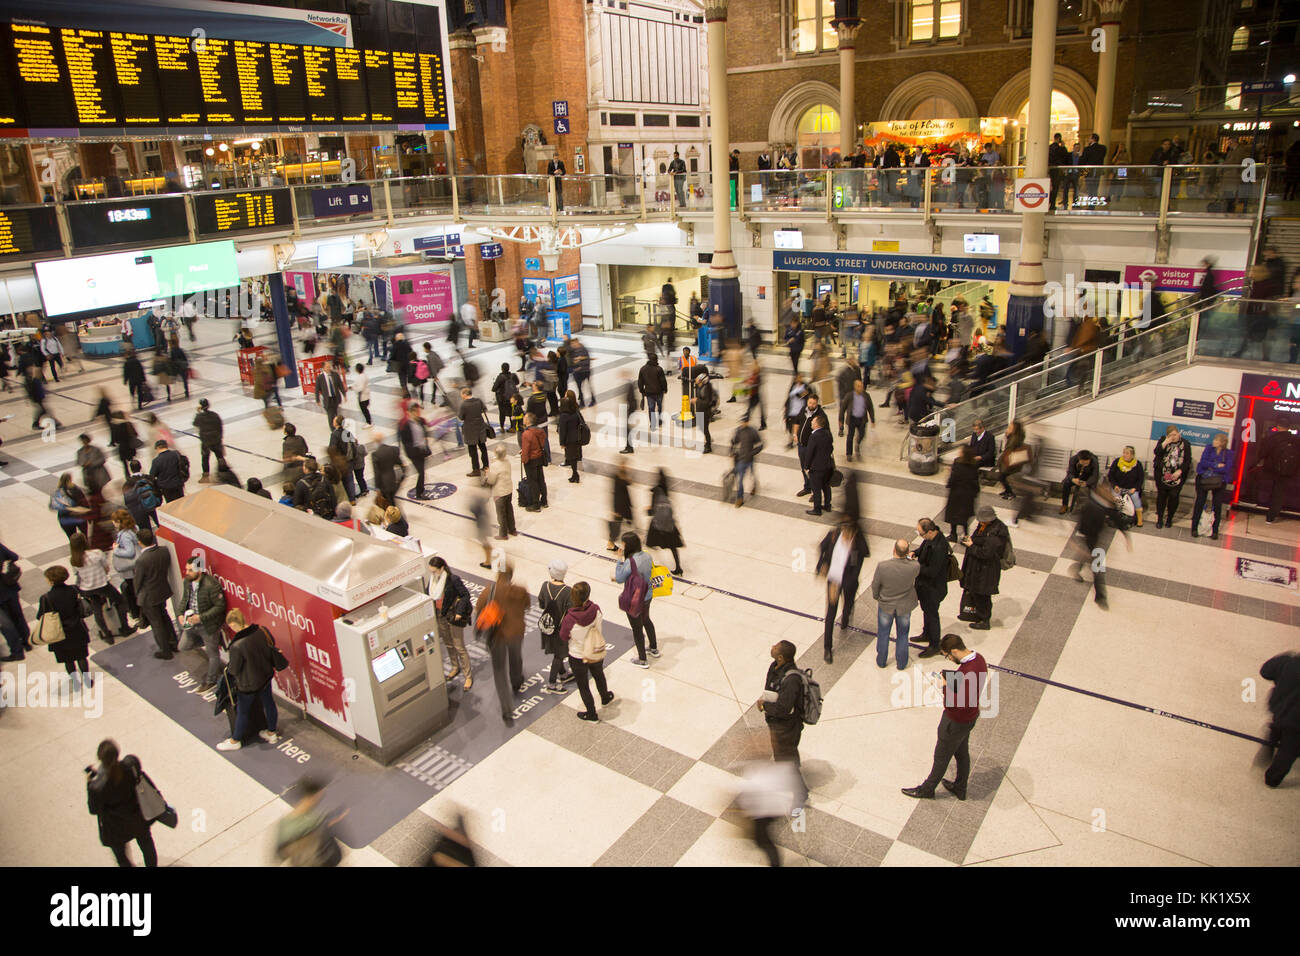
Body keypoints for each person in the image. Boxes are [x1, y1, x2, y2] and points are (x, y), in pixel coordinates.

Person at [901, 634, 987, 801]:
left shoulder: (968, 670)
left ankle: (927, 788)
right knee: (961, 752)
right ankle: (960, 787)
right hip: (969, 717)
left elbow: (955, 703)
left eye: (947, 656)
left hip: (955, 720)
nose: (948, 658)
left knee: (941, 756)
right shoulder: (978, 659)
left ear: (954, 651)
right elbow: (968, 683)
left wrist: (945, 686)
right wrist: (951, 677)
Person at [85, 739, 157, 867]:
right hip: (137, 817)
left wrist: (89, 783)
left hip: (115, 828)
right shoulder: (131, 764)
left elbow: (94, 809)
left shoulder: (96, 787)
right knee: (146, 843)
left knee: (121, 856)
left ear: (99, 758)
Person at [217, 609, 281, 750]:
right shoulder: (261, 631)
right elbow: (271, 644)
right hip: (265, 676)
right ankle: (271, 732)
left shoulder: (237, 645)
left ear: (234, 624)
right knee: (269, 702)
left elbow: (233, 669)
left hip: (248, 684)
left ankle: (235, 740)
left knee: (243, 711)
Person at [757, 640, 809, 812]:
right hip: (776, 724)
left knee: (786, 761)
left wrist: (765, 706)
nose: (771, 646)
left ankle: (800, 792)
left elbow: (783, 709)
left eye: (775, 647)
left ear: (781, 656)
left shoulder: (791, 679)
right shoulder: (775, 667)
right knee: (783, 758)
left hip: (787, 727)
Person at [475, 563, 528, 726]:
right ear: (511, 576)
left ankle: (507, 710)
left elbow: (479, 610)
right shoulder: (520, 591)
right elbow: (527, 605)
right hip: (516, 633)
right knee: (516, 658)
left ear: (498, 574)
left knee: (499, 671)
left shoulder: (489, 591)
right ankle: (517, 681)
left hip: (497, 637)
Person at [815, 515, 869, 664]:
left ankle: (846, 615)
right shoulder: (834, 535)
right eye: (844, 531)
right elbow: (822, 547)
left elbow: (856, 569)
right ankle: (827, 648)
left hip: (849, 582)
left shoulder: (858, 543)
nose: (846, 535)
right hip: (833, 580)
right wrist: (822, 566)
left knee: (849, 603)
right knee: (830, 613)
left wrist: (844, 585)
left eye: (849, 533)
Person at [561, 581, 614, 721]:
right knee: (599, 674)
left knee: (583, 685)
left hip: (577, 655)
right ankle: (605, 697)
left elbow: (563, 636)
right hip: (595, 650)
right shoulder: (596, 609)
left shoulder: (569, 619)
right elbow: (599, 624)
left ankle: (592, 714)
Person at [69, 531, 133, 644]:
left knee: (97, 609)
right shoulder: (96, 553)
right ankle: (124, 627)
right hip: (102, 584)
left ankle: (107, 634)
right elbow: (106, 568)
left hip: (87, 588)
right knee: (120, 601)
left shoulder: (74, 560)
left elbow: (77, 575)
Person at [178, 556, 227, 692]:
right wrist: (180, 614)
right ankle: (210, 641)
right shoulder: (187, 582)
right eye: (186, 569)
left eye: (190, 570)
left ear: (199, 570)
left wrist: (201, 617)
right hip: (191, 624)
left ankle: (211, 680)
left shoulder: (211, 585)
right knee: (183, 646)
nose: (186, 572)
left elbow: (220, 606)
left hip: (208, 626)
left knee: (213, 654)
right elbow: (184, 599)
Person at [39, 565, 94, 686]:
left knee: (68, 660)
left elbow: (41, 616)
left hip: (60, 633)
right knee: (81, 656)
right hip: (77, 628)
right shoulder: (74, 590)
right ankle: (87, 680)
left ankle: (75, 682)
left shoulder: (46, 598)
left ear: (51, 580)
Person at [871, 538, 921, 669]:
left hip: (886, 605)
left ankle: (881, 661)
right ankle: (902, 663)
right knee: (903, 634)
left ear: (894, 550)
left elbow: (875, 585)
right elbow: (915, 572)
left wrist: (877, 597)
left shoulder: (883, 566)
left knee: (883, 633)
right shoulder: (915, 566)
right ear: (908, 551)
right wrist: (909, 559)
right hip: (904, 606)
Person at [959, 505, 1009, 630]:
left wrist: (971, 546)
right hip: (977, 567)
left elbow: (986, 553)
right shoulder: (985, 526)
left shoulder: (996, 533)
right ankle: (979, 615)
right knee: (977, 592)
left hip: (986, 570)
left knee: (983, 594)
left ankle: (984, 620)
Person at [613, 531, 659, 667]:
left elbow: (620, 578)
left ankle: (642, 659)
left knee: (637, 628)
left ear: (628, 545)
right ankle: (653, 648)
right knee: (646, 620)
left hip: (635, 598)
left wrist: (619, 560)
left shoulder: (630, 561)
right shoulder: (647, 556)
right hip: (648, 595)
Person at [428, 556, 473, 691]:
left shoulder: (453, 580)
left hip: (453, 617)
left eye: (435, 571)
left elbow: (465, 595)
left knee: (459, 646)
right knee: (448, 643)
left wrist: (459, 612)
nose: (433, 574)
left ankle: (468, 676)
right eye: (431, 571)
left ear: (442, 568)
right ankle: (455, 667)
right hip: (440, 616)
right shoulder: (431, 582)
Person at [132, 528, 177, 659]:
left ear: (140, 542)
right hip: (162, 590)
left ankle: (165, 650)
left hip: (149, 596)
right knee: (165, 617)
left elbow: (138, 582)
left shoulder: (142, 560)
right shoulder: (163, 551)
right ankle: (173, 642)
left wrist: (138, 595)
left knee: (156, 623)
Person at [1259, 651, 1300, 788]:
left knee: (1278, 726)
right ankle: (1272, 779)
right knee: (1288, 751)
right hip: (1297, 724)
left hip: (1280, 709)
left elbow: (1265, 671)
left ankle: (1271, 741)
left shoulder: (1288, 662)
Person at [537, 560, 574, 694]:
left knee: (556, 652)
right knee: (559, 655)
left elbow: (541, 604)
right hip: (560, 629)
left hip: (547, 625)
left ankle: (563, 674)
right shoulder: (568, 591)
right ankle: (551, 684)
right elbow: (571, 611)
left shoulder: (544, 586)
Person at [1253, 420, 1299, 525]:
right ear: (1288, 427)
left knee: (1268, 487)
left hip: (1271, 469)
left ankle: (1255, 501)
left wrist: (1255, 463)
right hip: (1288, 470)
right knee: (1279, 492)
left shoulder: (1272, 438)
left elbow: (1263, 453)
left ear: (1278, 426)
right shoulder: (1295, 439)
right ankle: (1271, 516)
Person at [1191, 432, 1235, 539]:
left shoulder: (1229, 453)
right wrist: (1216, 465)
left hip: (1219, 481)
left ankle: (1215, 530)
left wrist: (1211, 466)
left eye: (1216, 440)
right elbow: (1203, 463)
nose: (1214, 441)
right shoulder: (1209, 448)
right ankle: (1194, 528)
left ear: (1222, 443)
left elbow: (1227, 468)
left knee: (1217, 504)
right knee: (1200, 501)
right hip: (1204, 478)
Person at [646, 470, 684, 575]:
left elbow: (652, 510)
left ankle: (651, 565)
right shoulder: (666, 490)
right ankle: (678, 567)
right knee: (673, 546)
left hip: (657, 524)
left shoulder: (656, 491)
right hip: (669, 523)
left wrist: (647, 510)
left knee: (650, 543)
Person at [111, 510, 142, 622]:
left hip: (130, 569)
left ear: (119, 521)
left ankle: (139, 614)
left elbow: (130, 552)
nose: (113, 523)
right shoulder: (134, 528)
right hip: (137, 566)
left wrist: (116, 550)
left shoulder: (125, 535)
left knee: (133, 590)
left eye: (114, 521)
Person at [945, 445, 981, 543]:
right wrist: (975, 492)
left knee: (953, 514)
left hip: (957, 494)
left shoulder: (957, 463)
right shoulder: (974, 464)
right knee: (964, 517)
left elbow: (954, 478)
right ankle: (966, 535)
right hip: (968, 495)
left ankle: (953, 534)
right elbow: (975, 480)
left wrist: (949, 484)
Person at [482, 443, 518, 538]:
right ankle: (512, 529)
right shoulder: (507, 462)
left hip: (499, 493)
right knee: (509, 510)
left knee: (501, 513)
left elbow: (491, 480)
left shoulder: (494, 466)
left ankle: (503, 534)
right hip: (508, 490)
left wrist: (487, 473)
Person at [397, 401, 433, 499]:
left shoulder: (420, 421)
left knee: (422, 472)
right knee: (421, 472)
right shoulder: (405, 425)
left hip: (422, 450)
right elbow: (405, 441)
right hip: (413, 453)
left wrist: (425, 442)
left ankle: (420, 490)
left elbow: (425, 431)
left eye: (417, 411)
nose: (417, 413)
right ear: (409, 412)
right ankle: (419, 493)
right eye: (415, 412)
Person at [803, 412, 834, 517]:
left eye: (813, 421)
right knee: (826, 486)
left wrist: (806, 466)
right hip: (827, 465)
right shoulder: (827, 433)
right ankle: (827, 505)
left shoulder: (814, 436)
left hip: (816, 467)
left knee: (816, 488)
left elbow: (809, 452)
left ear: (817, 424)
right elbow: (831, 448)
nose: (811, 422)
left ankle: (817, 509)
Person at [1107, 445, 1146, 527]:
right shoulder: (1117, 461)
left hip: (1131, 488)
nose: (1125, 455)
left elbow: (1140, 479)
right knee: (1115, 498)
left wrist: (1135, 488)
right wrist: (1115, 486)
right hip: (1118, 488)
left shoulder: (1137, 464)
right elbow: (1111, 475)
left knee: (1135, 499)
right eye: (1124, 453)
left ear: (1132, 455)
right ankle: (1115, 517)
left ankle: (1139, 519)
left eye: (1127, 453)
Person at [730, 414, 763, 507]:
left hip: (750, 459)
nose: (743, 424)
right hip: (740, 459)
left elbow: (761, 445)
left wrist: (752, 453)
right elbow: (733, 442)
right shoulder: (738, 431)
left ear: (748, 422)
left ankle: (754, 485)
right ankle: (740, 498)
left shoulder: (753, 432)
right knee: (740, 480)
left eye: (744, 422)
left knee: (752, 475)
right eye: (742, 422)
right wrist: (732, 451)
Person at [520, 413, 548, 512]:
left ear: (528, 421)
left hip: (531, 460)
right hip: (539, 457)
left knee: (533, 482)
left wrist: (524, 460)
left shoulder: (526, 433)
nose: (523, 418)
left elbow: (526, 449)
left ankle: (536, 504)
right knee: (541, 479)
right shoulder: (540, 431)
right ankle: (544, 500)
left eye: (525, 417)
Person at [192, 399, 225, 483]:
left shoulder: (200, 417)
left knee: (205, 458)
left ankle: (206, 476)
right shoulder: (215, 415)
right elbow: (220, 426)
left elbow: (195, 423)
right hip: (216, 439)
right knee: (220, 457)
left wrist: (198, 412)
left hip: (206, 441)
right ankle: (224, 472)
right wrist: (220, 438)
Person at [843, 378, 874, 462]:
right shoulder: (849, 396)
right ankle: (849, 454)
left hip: (862, 419)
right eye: (859, 386)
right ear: (855, 387)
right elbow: (842, 409)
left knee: (862, 435)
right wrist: (840, 423)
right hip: (852, 419)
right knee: (850, 436)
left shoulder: (866, 395)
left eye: (862, 386)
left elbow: (870, 407)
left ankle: (857, 446)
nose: (861, 388)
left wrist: (872, 420)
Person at [1059, 449, 1099, 514]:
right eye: (1083, 463)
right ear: (1079, 459)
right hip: (1076, 476)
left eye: (1086, 463)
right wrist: (1073, 479)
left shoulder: (1094, 461)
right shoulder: (1073, 459)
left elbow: (1095, 475)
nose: (1084, 465)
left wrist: (1087, 483)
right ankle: (1064, 505)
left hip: (1088, 477)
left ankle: (1090, 508)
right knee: (1066, 483)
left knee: (1093, 487)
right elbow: (1070, 472)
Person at [557, 393, 585, 483]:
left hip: (569, 440)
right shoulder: (575, 412)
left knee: (571, 457)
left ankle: (575, 474)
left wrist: (562, 443)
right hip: (577, 437)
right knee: (574, 456)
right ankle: (574, 474)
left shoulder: (563, 416)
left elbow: (563, 431)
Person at [492, 363, 520, 432]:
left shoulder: (500, 377)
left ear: (502, 369)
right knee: (512, 412)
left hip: (503, 399)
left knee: (502, 413)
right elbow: (517, 382)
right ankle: (513, 427)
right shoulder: (513, 375)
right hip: (512, 398)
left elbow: (494, 389)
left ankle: (502, 427)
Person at [315, 360, 345, 424]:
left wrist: (344, 395)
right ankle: (333, 429)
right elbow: (317, 389)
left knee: (336, 413)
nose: (329, 368)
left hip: (335, 398)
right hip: (327, 399)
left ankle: (338, 425)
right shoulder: (320, 378)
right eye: (327, 367)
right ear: (323, 368)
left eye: (329, 366)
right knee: (330, 415)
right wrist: (317, 400)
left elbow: (340, 385)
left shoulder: (335, 375)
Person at [693, 371, 716, 454]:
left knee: (705, 429)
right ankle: (708, 440)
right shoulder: (700, 387)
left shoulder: (706, 389)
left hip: (705, 412)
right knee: (701, 428)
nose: (696, 379)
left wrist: (697, 400)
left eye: (698, 378)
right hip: (700, 411)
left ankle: (708, 446)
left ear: (702, 380)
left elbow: (706, 402)